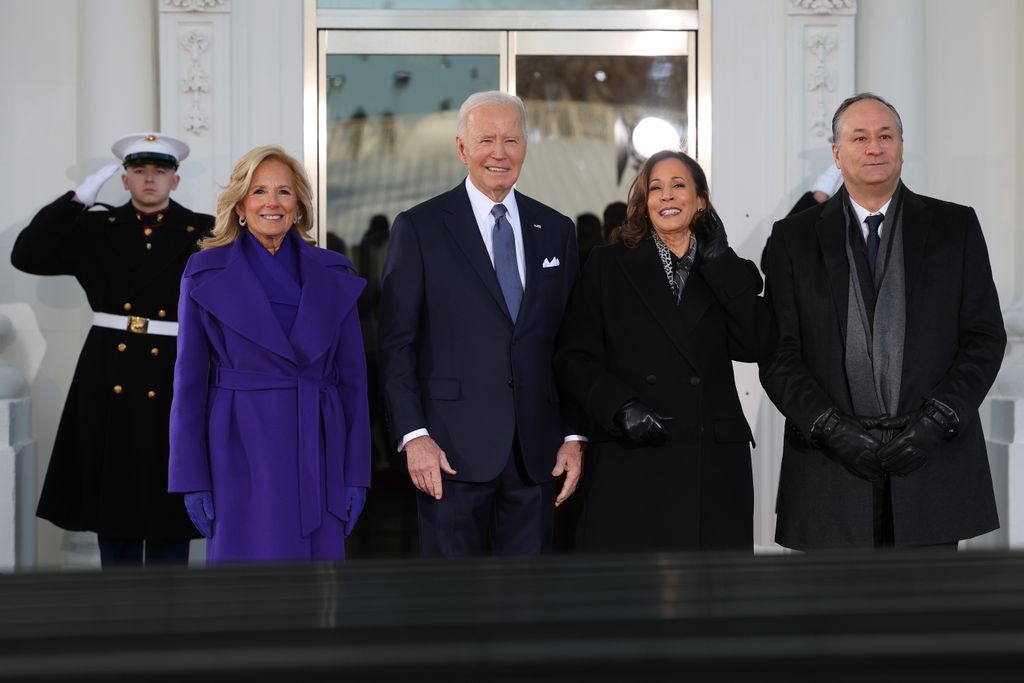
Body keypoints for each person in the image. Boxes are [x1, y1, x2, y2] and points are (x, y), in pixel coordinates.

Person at [760, 93, 1007, 550]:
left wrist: (938, 421)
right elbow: (778, 354)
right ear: (838, 153)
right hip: (829, 472)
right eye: (860, 137)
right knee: (835, 619)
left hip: (930, 466)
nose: (874, 147)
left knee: (924, 619)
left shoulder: (956, 227)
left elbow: (984, 338)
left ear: (901, 145)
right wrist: (830, 428)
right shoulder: (792, 238)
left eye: (885, 136)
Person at [378, 90, 584, 557]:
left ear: (526, 147)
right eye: (486, 139)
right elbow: (397, 345)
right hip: (448, 453)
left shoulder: (556, 229)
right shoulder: (420, 227)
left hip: (537, 456)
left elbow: (571, 345)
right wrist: (415, 436)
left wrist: (573, 435)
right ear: (461, 148)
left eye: (511, 139)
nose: (500, 152)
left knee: (527, 603)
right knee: (454, 606)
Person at [554, 150, 776, 552]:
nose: (667, 196)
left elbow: (757, 343)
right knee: (635, 596)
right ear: (644, 201)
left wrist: (719, 260)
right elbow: (575, 357)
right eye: (656, 188)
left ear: (701, 200)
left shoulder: (730, 270)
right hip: (633, 452)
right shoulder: (608, 265)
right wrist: (619, 407)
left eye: (679, 186)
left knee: (712, 598)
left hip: (711, 462)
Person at [10, 132, 213, 567]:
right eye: (139, 171)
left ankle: (168, 613)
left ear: (175, 181)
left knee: (168, 501)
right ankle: (116, 612)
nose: (150, 180)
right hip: (107, 369)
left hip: (175, 368)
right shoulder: (95, 228)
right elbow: (26, 255)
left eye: (160, 171)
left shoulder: (202, 230)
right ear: (124, 181)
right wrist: (77, 200)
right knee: (113, 497)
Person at [168, 145, 371, 563]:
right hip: (238, 450)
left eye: (284, 191)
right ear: (240, 204)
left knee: (317, 599)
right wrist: (192, 478)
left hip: (319, 449)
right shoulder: (204, 272)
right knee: (245, 597)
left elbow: (354, 384)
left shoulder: (334, 273)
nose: (272, 203)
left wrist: (356, 474)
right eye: (259, 191)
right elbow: (188, 384)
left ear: (299, 204)